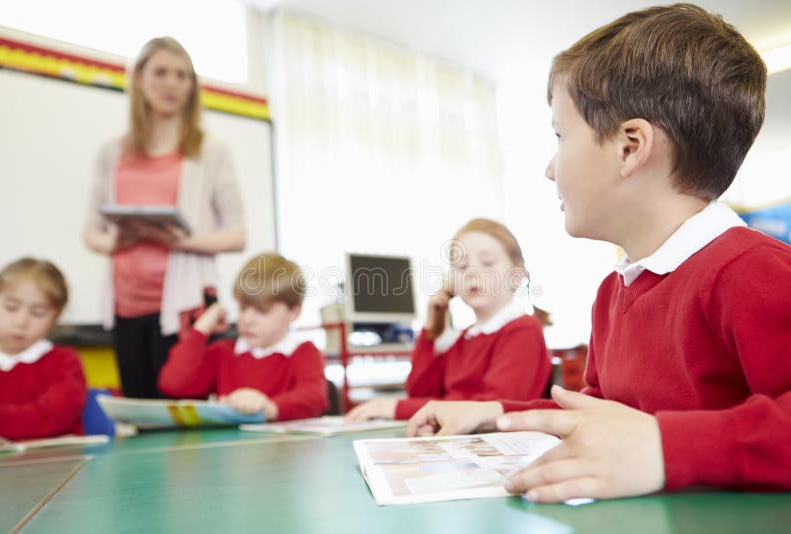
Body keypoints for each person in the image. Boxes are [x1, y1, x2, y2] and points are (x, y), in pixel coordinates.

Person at [407, 3, 791, 502]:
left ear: (630, 147)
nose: (549, 169)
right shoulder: (614, 292)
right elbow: (599, 413)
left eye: (560, 136)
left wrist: (667, 446)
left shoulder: (752, 272)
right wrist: (494, 414)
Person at [83, 37, 246, 398]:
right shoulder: (112, 152)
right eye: (161, 73)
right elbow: (91, 233)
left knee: (181, 408)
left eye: (182, 75)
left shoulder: (210, 151)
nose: (171, 84)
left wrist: (182, 240)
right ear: (140, 78)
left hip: (184, 305)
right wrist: (118, 241)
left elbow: (237, 235)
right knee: (140, 408)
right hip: (125, 307)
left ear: (192, 86)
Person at [346, 218, 552, 422]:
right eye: (461, 266)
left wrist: (396, 408)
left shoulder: (522, 330)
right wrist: (430, 327)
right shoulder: (466, 338)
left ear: (517, 275)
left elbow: (492, 408)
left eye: (487, 263)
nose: (471, 272)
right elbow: (420, 392)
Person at [158, 253, 328, 421]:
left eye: (262, 311)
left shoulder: (304, 352)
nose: (247, 320)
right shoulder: (222, 352)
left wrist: (267, 408)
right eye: (242, 308)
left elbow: (314, 397)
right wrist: (202, 328)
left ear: (294, 312)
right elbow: (173, 384)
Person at [0, 258, 86, 439]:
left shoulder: (64, 362)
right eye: (11, 308)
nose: (21, 322)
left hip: (56, 464)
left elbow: (48, 417)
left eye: (38, 313)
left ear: (54, 318)